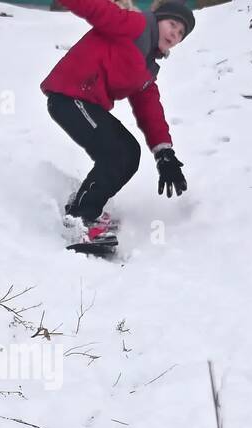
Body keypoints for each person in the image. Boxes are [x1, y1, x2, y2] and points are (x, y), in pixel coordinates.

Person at [41, 0, 194, 245]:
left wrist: (164, 153)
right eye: (172, 24)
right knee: (114, 153)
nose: (174, 34)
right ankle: (80, 218)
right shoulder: (134, 26)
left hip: (85, 103)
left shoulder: (147, 67)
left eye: (180, 33)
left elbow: (150, 109)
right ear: (158, 18)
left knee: (129, 152)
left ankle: (84, 206)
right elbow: (96, 9)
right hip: (69, 96)